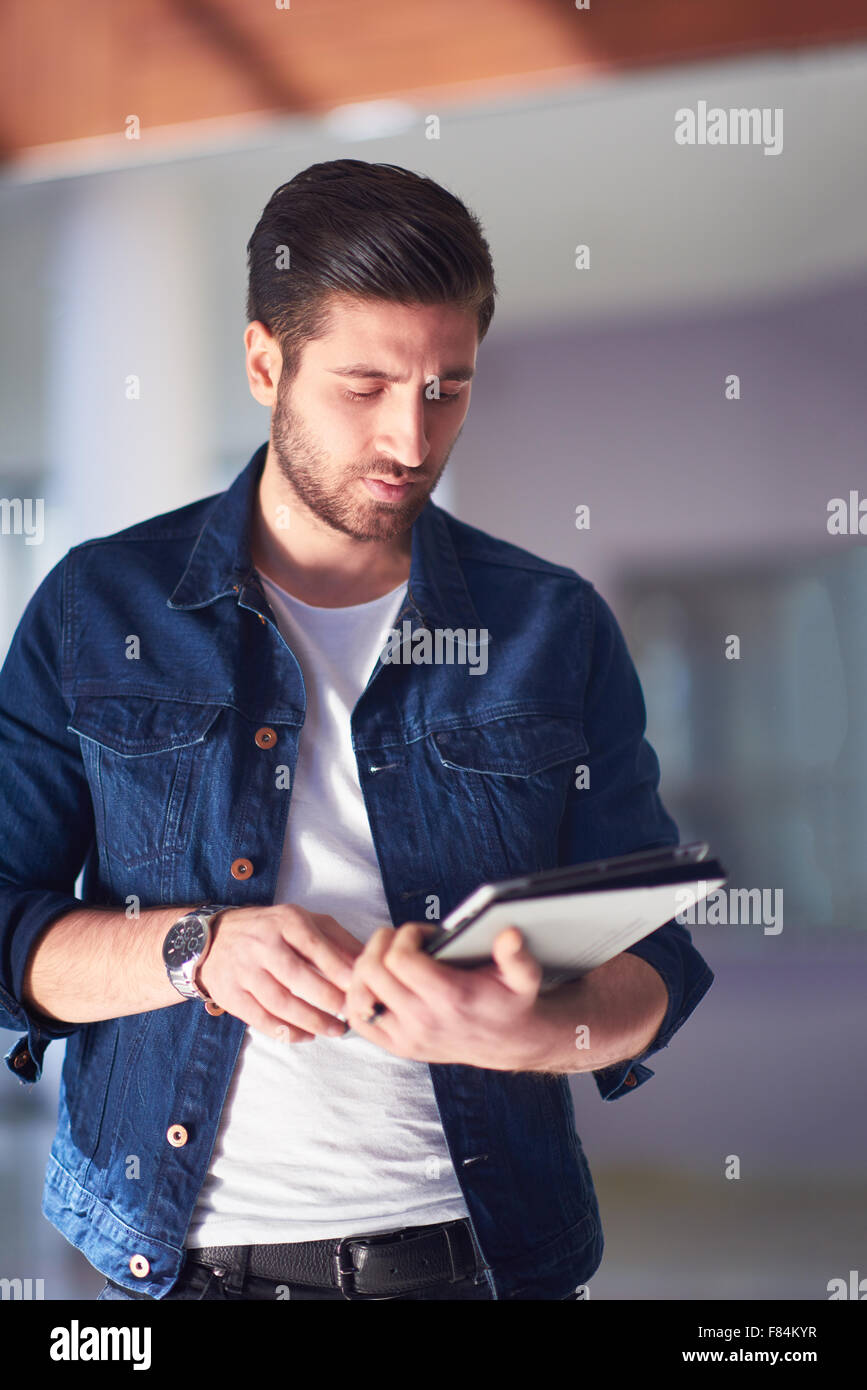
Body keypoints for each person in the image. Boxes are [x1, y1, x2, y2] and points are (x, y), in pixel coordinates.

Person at [0, 159, 713, 1301]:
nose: (411, 437)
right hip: (170, 1267)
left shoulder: (552, 623)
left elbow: (655, 959)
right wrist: (197, 950)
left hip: (483, 1264)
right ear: (264, 363)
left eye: (448, 388)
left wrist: (528, 1031)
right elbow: (6, 926)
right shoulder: (97, 606)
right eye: (366, 384)